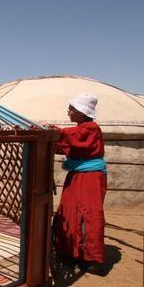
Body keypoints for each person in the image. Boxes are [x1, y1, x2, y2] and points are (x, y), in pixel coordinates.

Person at [53, 93, 107, 273]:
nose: (68, 112)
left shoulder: (90, 128)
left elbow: (68, 135)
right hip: (78, 175)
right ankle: (70, 250)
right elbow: (67, 144)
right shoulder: (80, 130)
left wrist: (51, 131)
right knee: (69, 210)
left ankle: (92, 257)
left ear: (83, 113)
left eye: (72, 109)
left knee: (88, 214)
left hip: (90, 177)